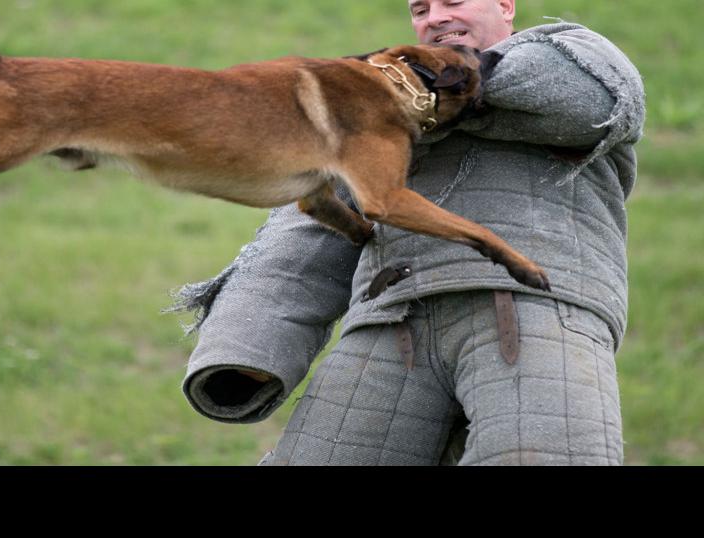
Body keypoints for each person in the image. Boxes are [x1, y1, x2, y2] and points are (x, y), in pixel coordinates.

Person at [170, 0, 645, 465]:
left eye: (452, 1)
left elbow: (584, 101)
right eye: (420, 10)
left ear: (505, 5)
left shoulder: (573, 52)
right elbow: (306, 232)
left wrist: (403, 86)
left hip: (531, 306)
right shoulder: (371, 113)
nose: (436, 17)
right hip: (387, 323)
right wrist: (246, 347)